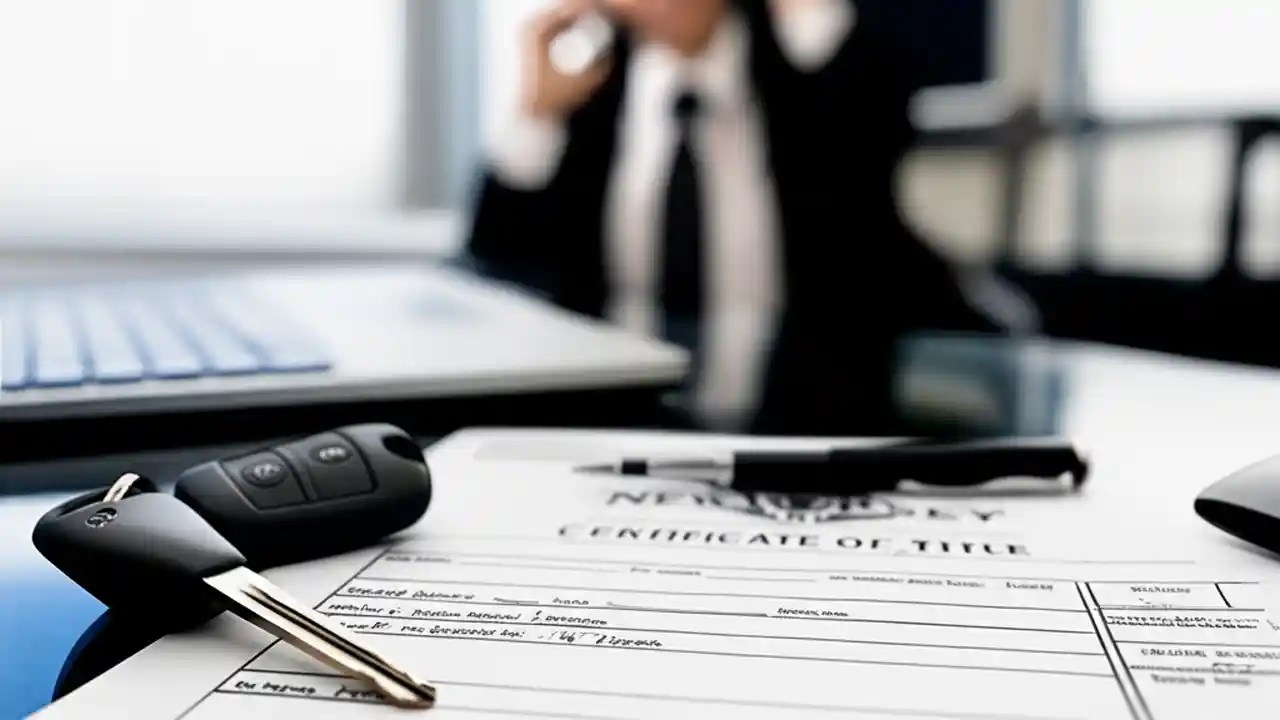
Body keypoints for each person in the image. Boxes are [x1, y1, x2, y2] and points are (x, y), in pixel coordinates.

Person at [466, 0, 1000, 435]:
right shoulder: (587, 94)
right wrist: (536, 116)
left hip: (804, 409)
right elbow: (496, 254)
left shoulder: (805, 75)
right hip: (619, 416)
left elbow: (879, 136)